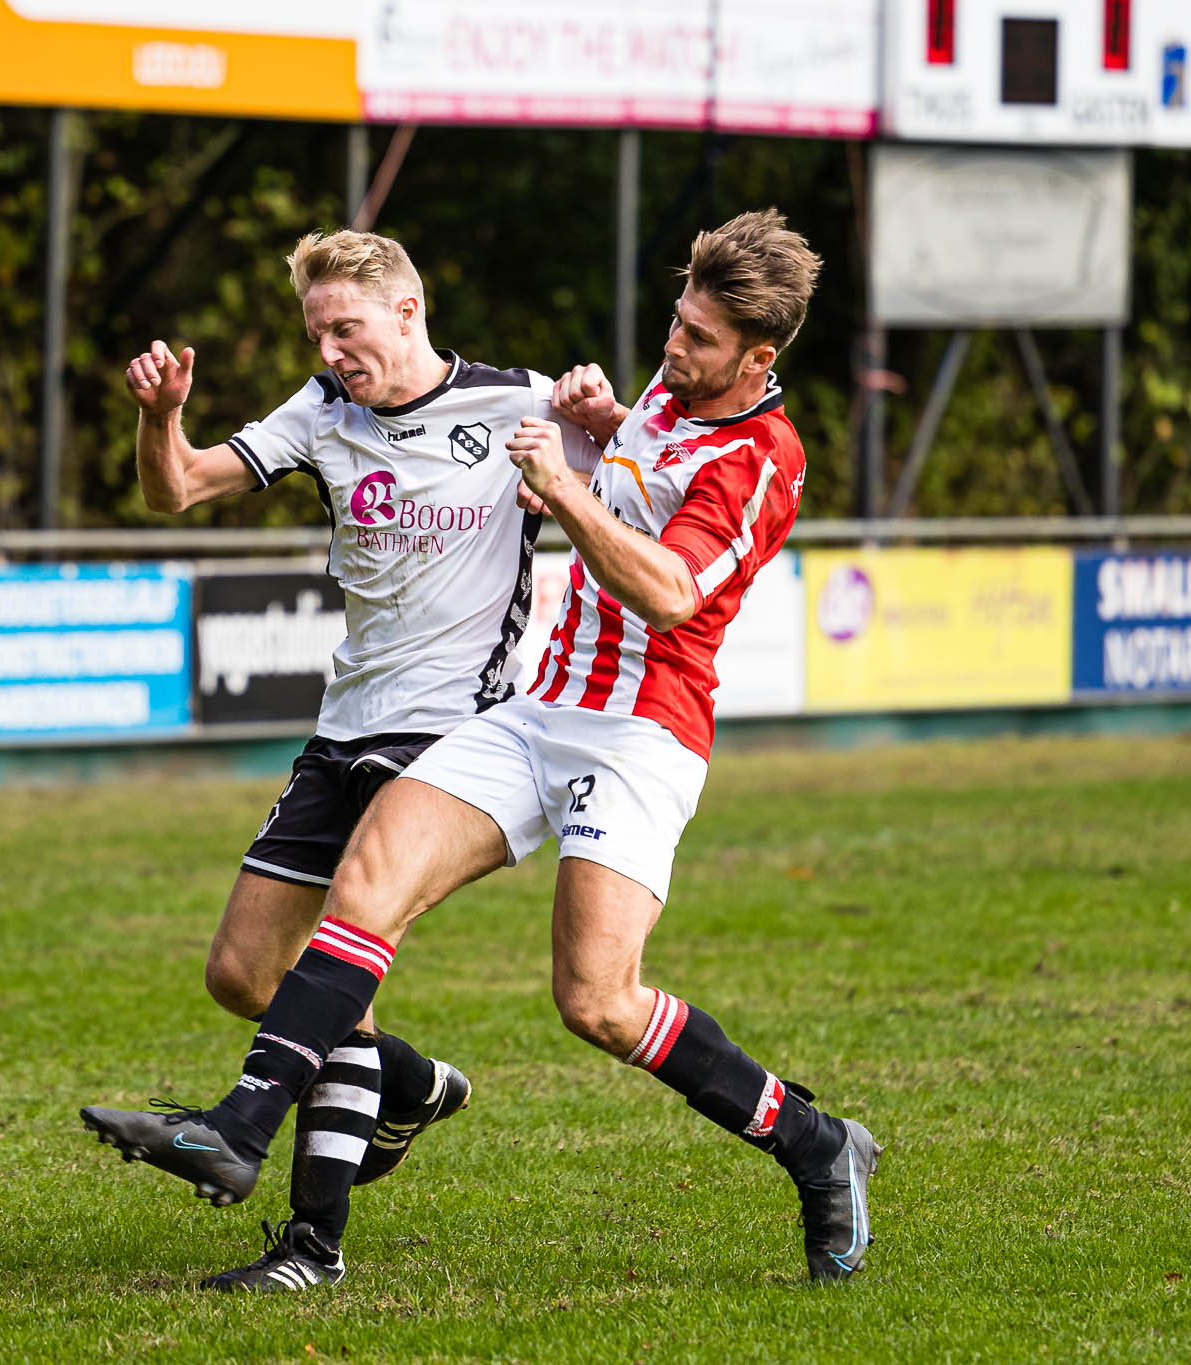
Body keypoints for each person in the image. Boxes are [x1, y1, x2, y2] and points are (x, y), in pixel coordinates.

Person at [83, 209, 882, 1286]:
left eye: (698, 340)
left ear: (758, 357)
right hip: (534, 710)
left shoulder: (761, 459)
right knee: (365, 885)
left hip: (642, 734)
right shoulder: (662, 392)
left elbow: (669, 592)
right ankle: (245, 1136)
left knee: (596, 1001)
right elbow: (622, 470)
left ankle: (813, 1141)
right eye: (675, 322)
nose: (672, 349)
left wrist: (559, 483)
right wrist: (598, 421)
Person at [83, 228, 600, 1291]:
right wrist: (159, 418)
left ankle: (306, 1244)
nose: (329, 349)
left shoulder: (518, 403)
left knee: (339, 952)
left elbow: (646, 479)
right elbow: (173, 491)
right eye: (316, 330)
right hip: (341, 731)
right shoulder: (318, 414)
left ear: (408, 312)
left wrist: (601, 423)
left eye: (346, 327)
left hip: (456, 736)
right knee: (247, 975)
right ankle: (404, 1087)